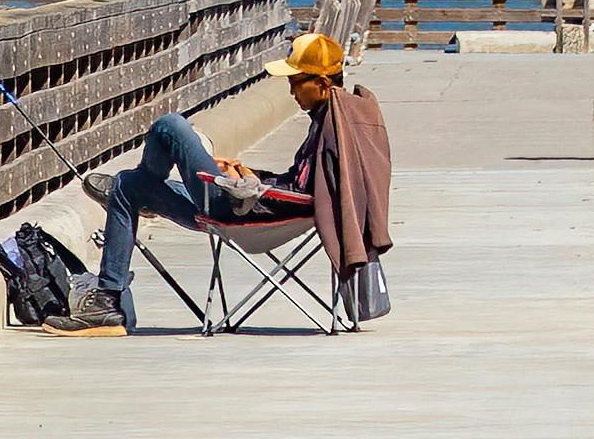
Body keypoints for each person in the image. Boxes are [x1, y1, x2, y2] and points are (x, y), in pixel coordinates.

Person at [91, 28, 404, 323]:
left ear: (322, 84)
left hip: (244, 213)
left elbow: (301, 195)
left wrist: (247, 187)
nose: (291, 89)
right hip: (259, 204)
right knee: (125, 186)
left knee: (170, 127)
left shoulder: (332, 131)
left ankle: (147, 189)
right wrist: (250, 175)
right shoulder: (335, 117)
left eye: (296, 81)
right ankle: (110, 299)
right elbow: (299, 185)